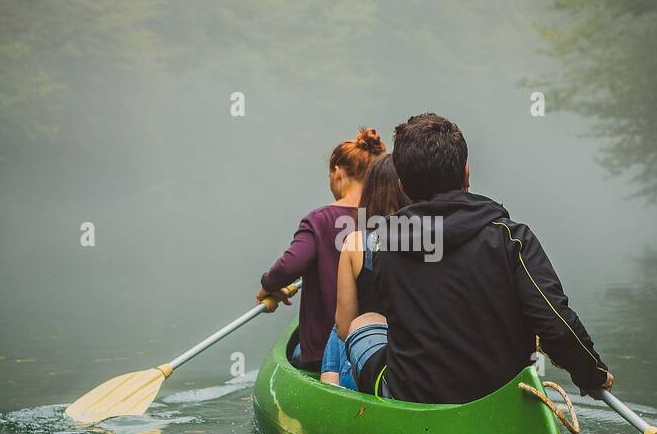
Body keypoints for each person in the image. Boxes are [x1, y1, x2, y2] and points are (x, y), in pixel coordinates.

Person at [344, 112, 614, 404]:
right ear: (466, 174)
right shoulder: (511, 239)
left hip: (415, 396)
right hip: (499, 397)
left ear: (404, 186)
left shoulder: (385, 244)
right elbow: (556, 324)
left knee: (364, 323)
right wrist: (592, 374)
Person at [257, 127, 385, 371]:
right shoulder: (385, 220)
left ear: (337, 173)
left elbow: (289, 266)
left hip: (324, 353)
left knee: (295, 352)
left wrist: (267, 286)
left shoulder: (320, 220)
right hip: (373, 347)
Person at [321, 154, 408, 388]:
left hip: (367, 368)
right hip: (415, 364)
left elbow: (344, 327)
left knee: (338, 328)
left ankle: (329, 384)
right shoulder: (430, 240)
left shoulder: (355, 243)